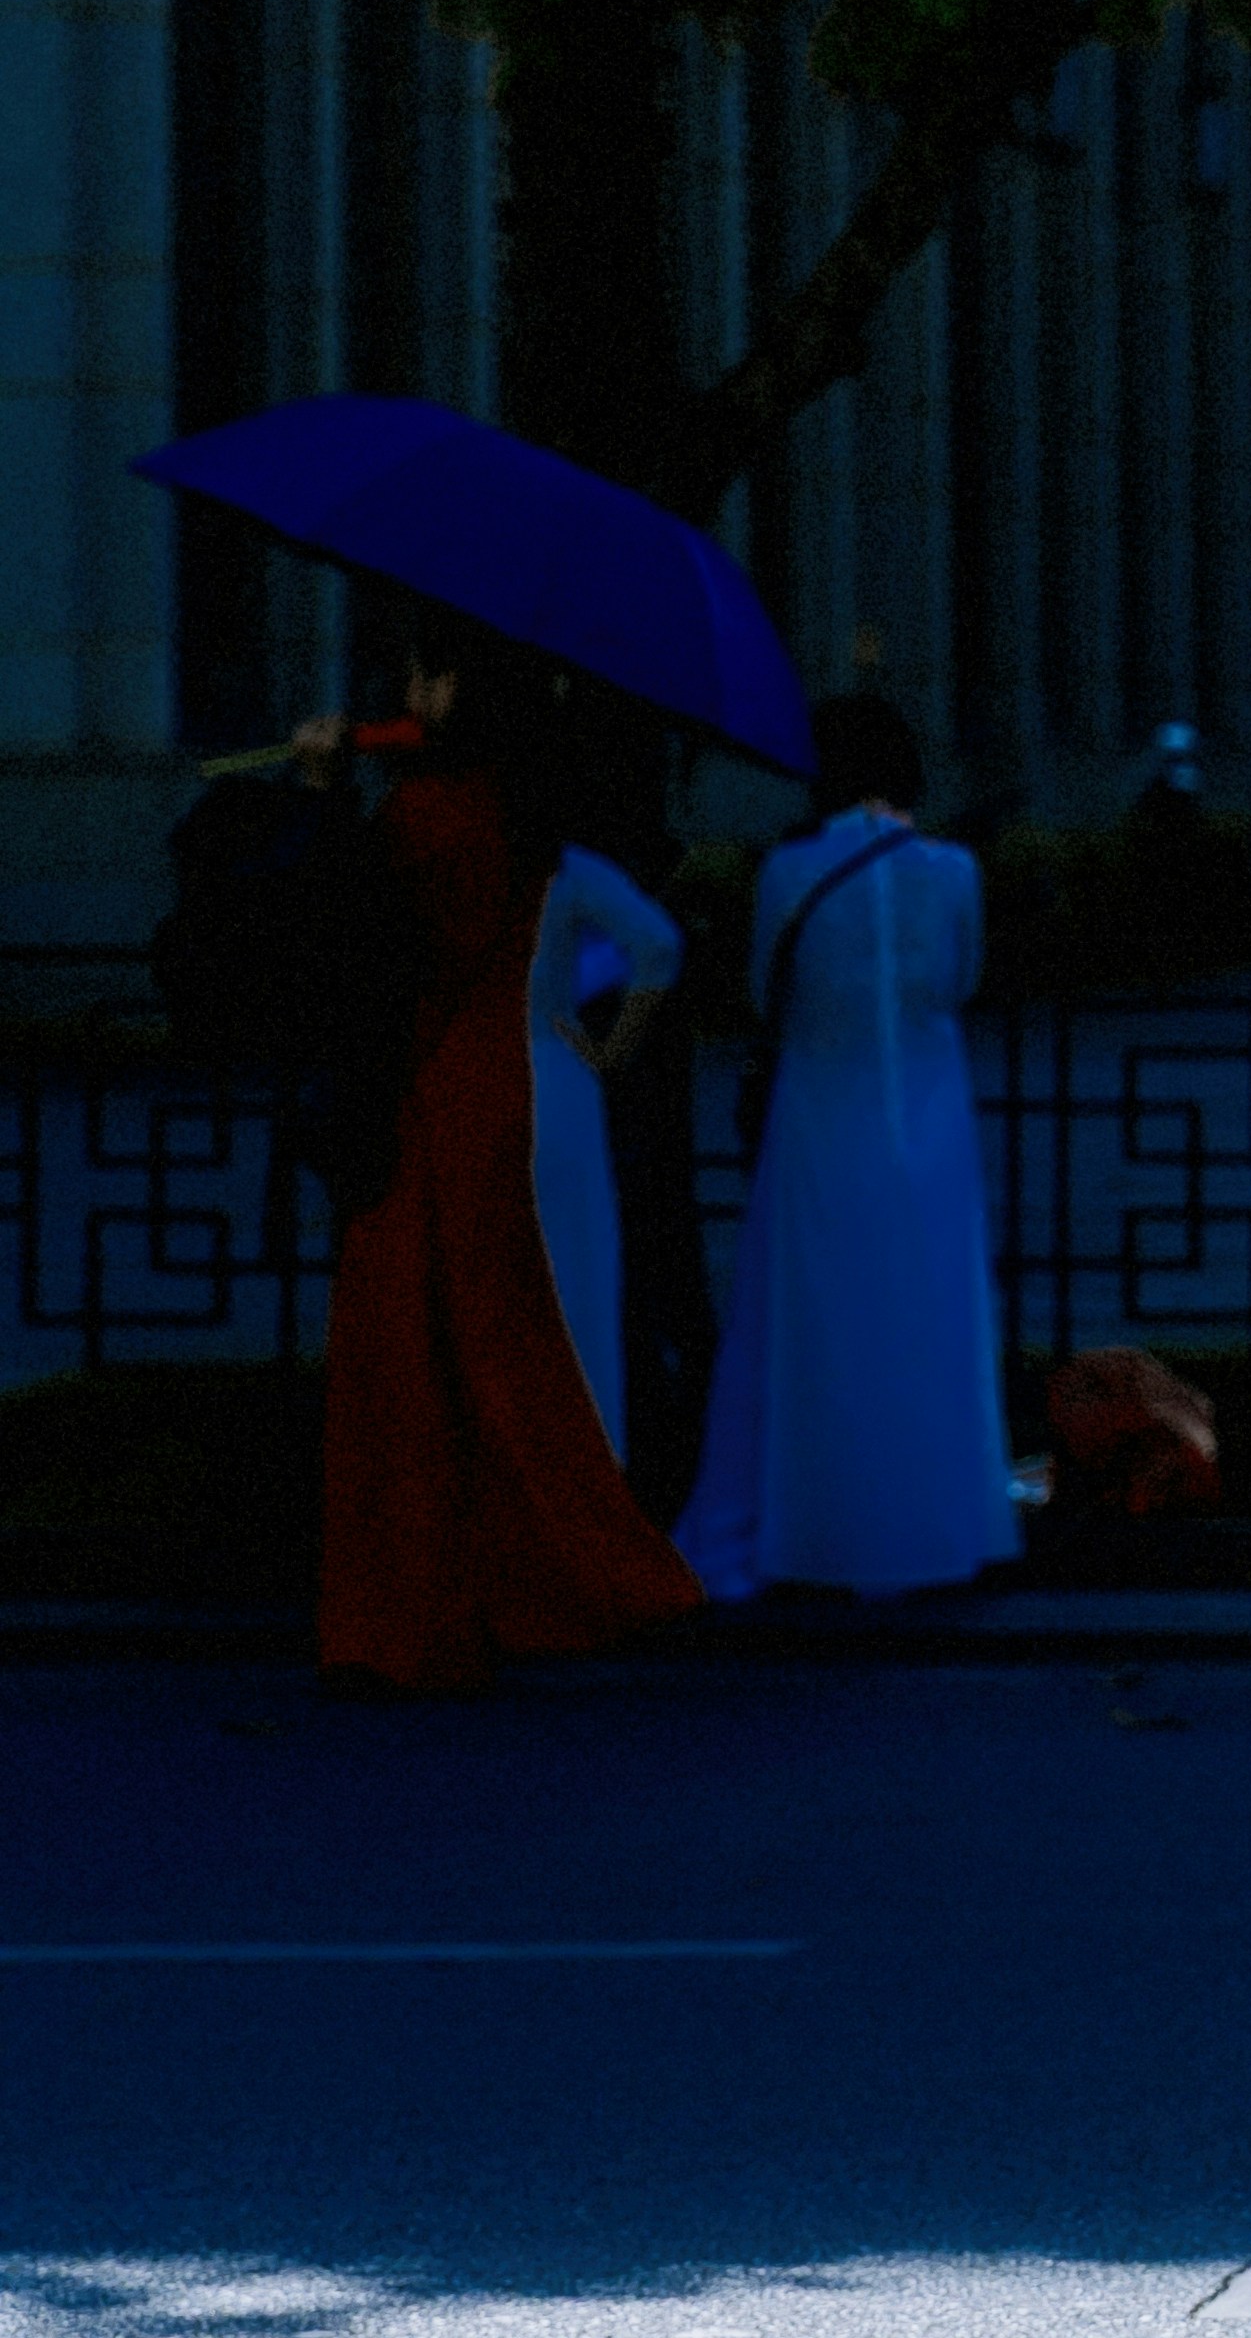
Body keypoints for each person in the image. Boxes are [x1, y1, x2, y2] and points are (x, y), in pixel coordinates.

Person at [311, 631, 701, 1698]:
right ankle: (557, 1570)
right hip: (528, 1087)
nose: (410, 688)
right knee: (526, 1338)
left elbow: (349, 934)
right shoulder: (534, 824)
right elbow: (650, 942)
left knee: (414, 1350)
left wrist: (321, 790)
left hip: (439, 1092)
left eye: (428, 675)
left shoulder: (425, 817)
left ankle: (424, 1600)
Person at [677, 693, 1014, 1604]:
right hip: (930, 1119)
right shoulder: (951, 871)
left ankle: (822, 1523)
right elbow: (962, 979)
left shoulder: (788, 871)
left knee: (816, 1322)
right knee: (929, 1317)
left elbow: (762, 994)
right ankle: (938, 1520)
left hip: (820, 1118)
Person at [524, 836, 683, 1464]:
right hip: (556, 1073)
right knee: (572, 1276)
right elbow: (658, 944)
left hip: (464, 1075)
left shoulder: (436, 855)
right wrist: (614, 1049)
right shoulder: (568, 868)